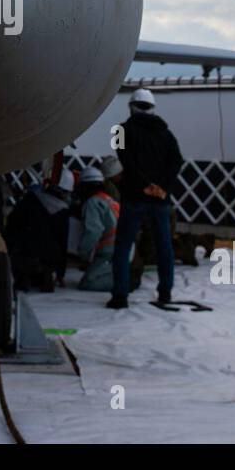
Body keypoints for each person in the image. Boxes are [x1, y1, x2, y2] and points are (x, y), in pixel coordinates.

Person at [109, 88, 183, 309]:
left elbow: (125, 160)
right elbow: (177, 161)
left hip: (133, 197)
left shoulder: (120, 131)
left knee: (123, 246)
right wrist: (161, 187)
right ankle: (165, 293)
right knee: (164, 246)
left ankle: (120, 295)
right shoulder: (166, 133)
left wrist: (144, 185)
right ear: (152, 108)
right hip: (160, 199)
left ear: (131, 106)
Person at [3, 168, 73, 292]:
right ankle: (43, 277)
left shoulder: (28, 201)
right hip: (46, 260)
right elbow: (63, 242)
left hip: (20, 256)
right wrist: (61, 272)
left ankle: (24, 278)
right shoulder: (62, 211)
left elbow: (11, 227)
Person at [76, 166, 120, 291]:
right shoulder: (108, 199)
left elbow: (93, 231)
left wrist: (83, 254)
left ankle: (122, 281)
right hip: (122, 249)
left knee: (88, 283)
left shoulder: (93, 203)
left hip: (110, 252)